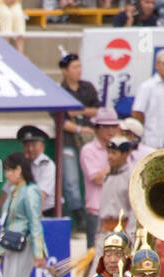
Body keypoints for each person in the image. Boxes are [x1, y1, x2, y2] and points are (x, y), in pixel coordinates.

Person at [0, 153, 56, 277]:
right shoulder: (15, 190)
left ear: (18, 170)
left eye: (8, 170)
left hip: (24, 246)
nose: (6, 174)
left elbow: (35, 222)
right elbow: (7, 223)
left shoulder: (30, 191)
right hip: (10, 245)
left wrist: (39, 253)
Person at [58, 54, 100, 230]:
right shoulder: (60, 90)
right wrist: (78, 128)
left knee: (94, 177)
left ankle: (93, 215)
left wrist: (78, 111)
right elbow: (61, 119)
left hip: (91, 140)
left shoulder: (87, 88)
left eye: (79, 66)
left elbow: (97, 110)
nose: (78, 70)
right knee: (71, 181)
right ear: (65, 71)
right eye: (74, 67)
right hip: (69, 141)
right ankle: (79, 219)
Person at [80, 110, 121, 250]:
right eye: (106, 127)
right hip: (97, 210)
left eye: (114, 127)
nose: (111, 131)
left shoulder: (121, 150)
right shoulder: (88, 150)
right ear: (97, 129)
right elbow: (97, 179)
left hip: (118, 209)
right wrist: (118, 162)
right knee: (95, 256)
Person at [132, 51, 164, 151]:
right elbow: (137, 113)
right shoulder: (147, 86)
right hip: (149, 143)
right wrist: (140, 137)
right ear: (157, 65)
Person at [15, 126, 56, 215]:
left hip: (47, 212)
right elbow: (8, 190)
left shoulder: (47, 165)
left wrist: (36, 217)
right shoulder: (21, 164)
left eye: (33, 145)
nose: (30, 149)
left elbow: (41, 194)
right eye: (26, 145)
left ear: (42, 147)